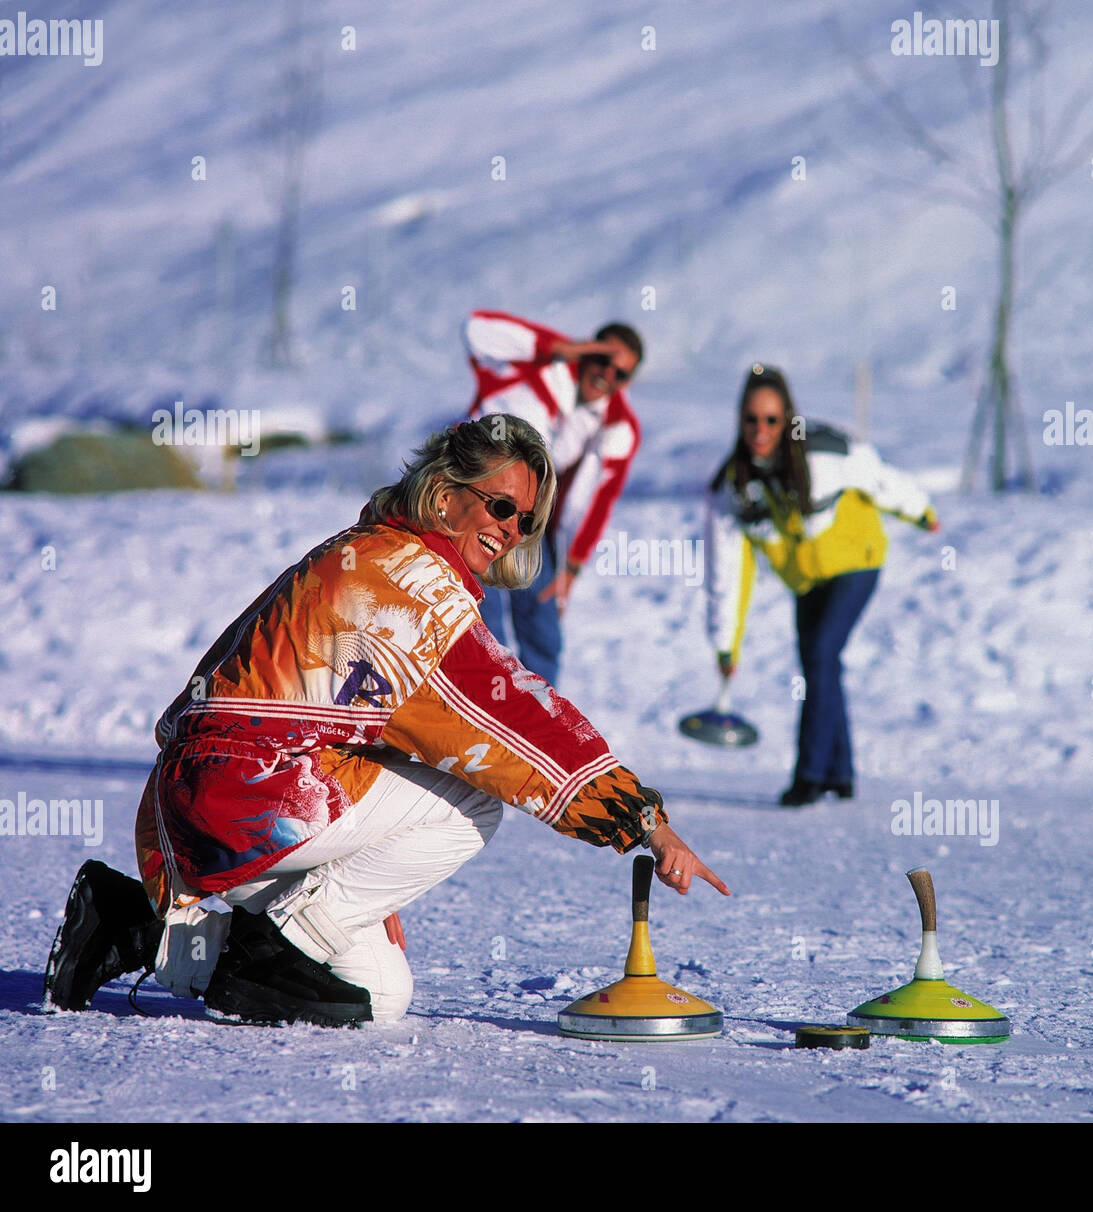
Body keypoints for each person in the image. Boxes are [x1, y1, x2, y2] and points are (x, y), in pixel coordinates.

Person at [45, 415, 727, 1027]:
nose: (512, 530)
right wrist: (644, 821)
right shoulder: (408, 590)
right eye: (500, 506)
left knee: (376, 993)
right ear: (442, 496)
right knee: (477, 799)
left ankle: (128, 926)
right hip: (249, 794)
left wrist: (355, 876)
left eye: (527, 521)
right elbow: (512, 722)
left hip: (214, 800)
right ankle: (283, 944)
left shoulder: (368, 551)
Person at [705, 364, 939, 807]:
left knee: (821, 653)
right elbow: (727, 571)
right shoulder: (733, 485)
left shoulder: (823, 453)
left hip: (857, 560)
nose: (761, 430)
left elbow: (878, 477)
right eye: (752, 419)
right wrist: (725, 644)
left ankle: (809, 775)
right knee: (821, 665)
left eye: (772, 420)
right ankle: (841, 772)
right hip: (806, 580)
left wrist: (919, 509)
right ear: (740, 420)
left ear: (787, 418)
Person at [463, 310, 643, 686]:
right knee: (483, 624)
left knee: (542, 624)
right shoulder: (534, 369)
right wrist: (562, 347)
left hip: (527, 525)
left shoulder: (614, 424)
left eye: (621, 374)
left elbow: (597, 501)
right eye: (603, 360)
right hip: (472, 509)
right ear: (588, 350)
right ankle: (482, 716)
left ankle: (542, 718)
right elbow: (477, 329)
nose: (607, 376)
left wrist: (571, 570)